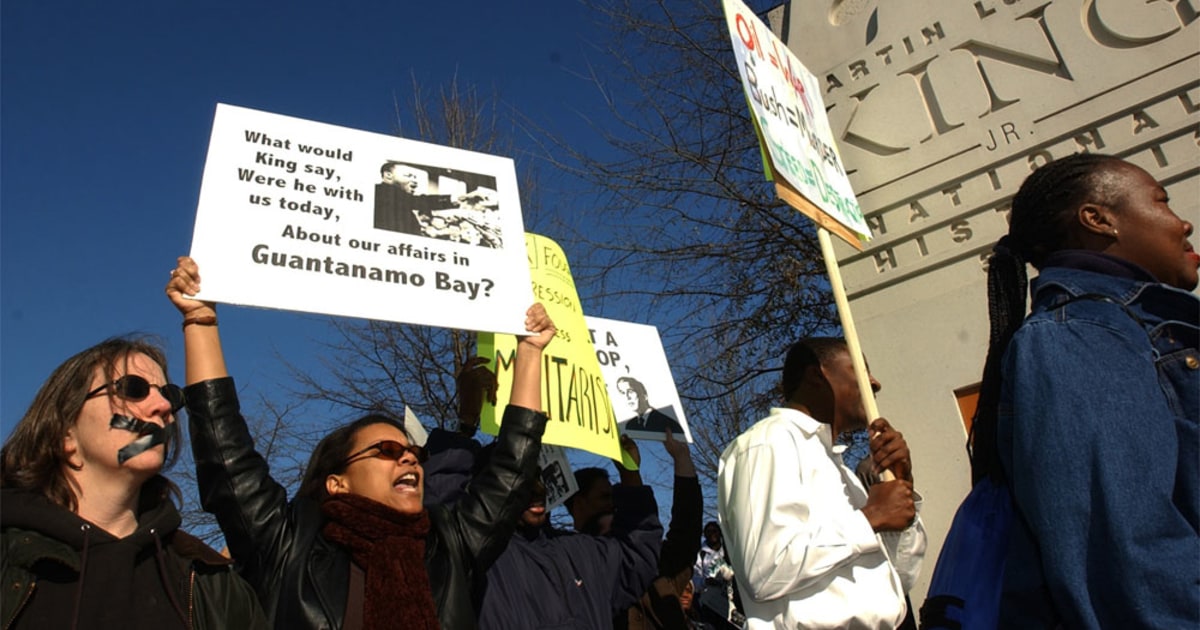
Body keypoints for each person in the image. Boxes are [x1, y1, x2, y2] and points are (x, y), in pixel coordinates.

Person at [168, 255, 555, 629]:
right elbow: (227, 457)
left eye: (414, 453)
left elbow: (511, 472)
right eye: (388, 451)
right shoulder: (288, 544)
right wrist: (200, 320)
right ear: (337, 482)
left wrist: (530, 350)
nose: (410, 459)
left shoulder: (450, 544)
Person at [969, 153, 1199, 626]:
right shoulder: (1080, 333)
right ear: (1098, 220)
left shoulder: (1132, 328)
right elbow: (1127, 559)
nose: (1184, 223)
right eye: (1162, 201)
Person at [0, 337, 267, 629]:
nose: (164, 406)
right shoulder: (8, 561)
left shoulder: (212, 583)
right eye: (133, 388)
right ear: (65, 434)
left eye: (169, 395)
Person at [717, 337, 926, 629]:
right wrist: (870, 518)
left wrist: (902, 486)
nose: (875, 383)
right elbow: (764, 571)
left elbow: (901, 578)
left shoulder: (841, 471)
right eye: (860, 370)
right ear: (817, 376)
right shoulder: (768, 442)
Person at [617, 376, 685, 436]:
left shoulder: (669, 424)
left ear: (644, 395)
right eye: (623, 393)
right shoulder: (630, 425)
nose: (627, 397)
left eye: (630, 391)